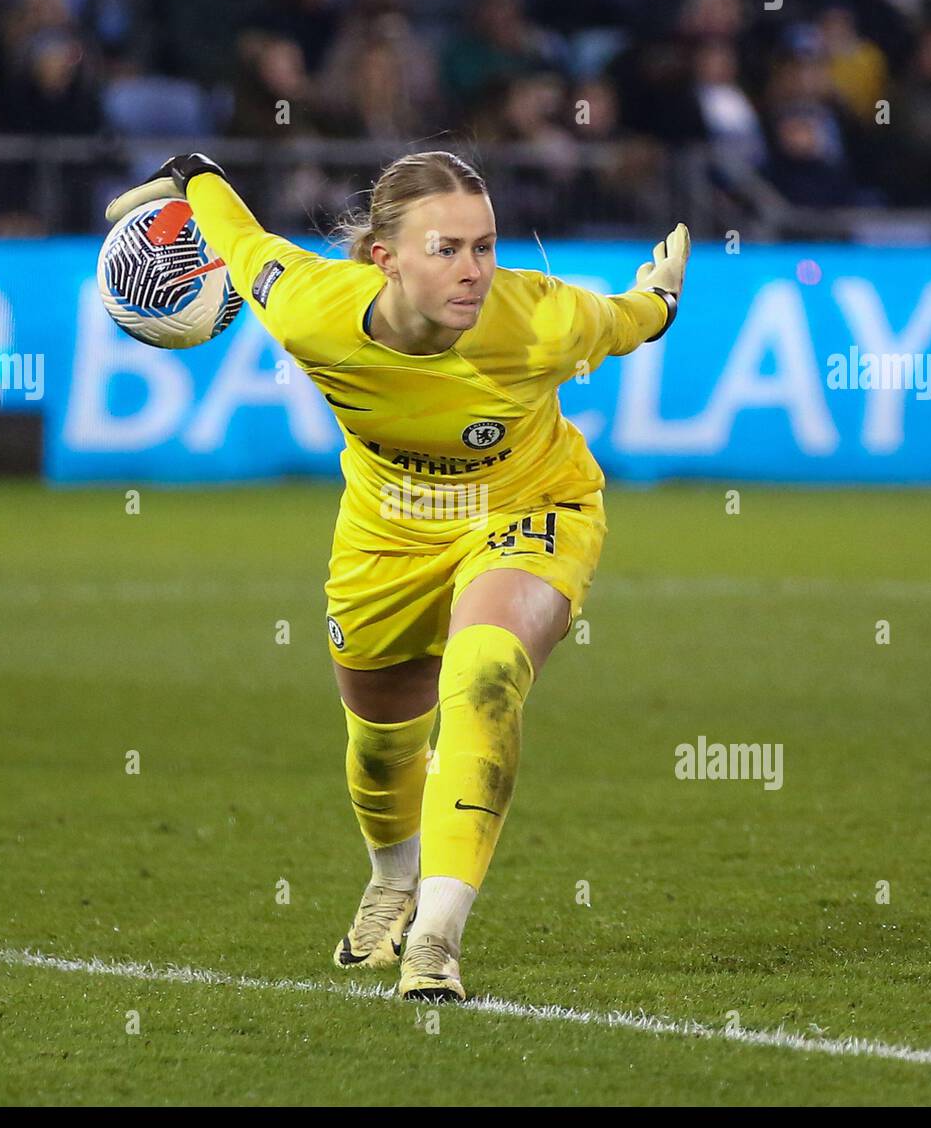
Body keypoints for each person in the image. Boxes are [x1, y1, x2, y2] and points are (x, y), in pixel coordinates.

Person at [105, 151, 690, 1001]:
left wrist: (664, 293)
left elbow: (634, 318)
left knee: (485, 678)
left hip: (528, 509)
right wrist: (192, 170)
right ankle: (393, 881)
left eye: (485, 247)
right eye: (447, 249)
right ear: (385, 257)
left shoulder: (537, 320)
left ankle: (437, 942)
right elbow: (239, 238)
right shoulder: (309, 307)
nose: (475, 272)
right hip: (387, 532)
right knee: (381, 748)